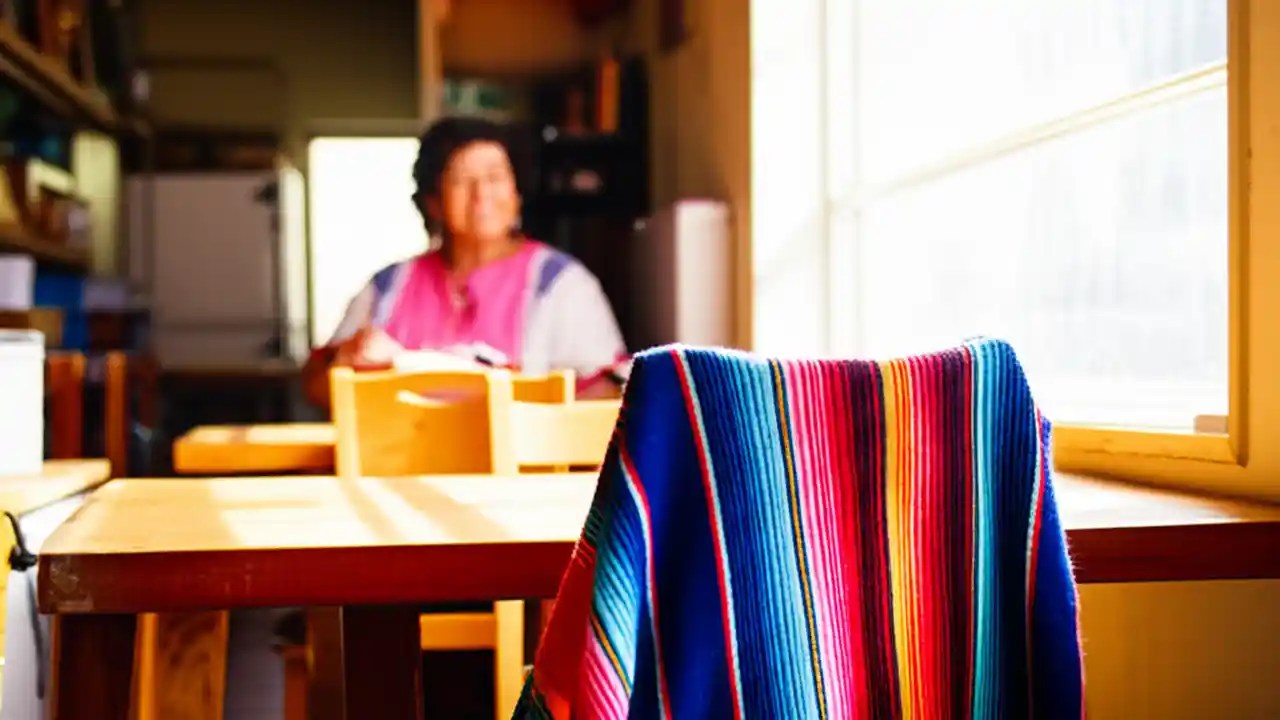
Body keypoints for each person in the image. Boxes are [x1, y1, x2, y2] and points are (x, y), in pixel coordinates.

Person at [302, 116, 629, 407]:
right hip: (395, 468)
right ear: (433, 202)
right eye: (461, 180)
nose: (481, 194)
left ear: (517, 194)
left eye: (495, 177)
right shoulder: (389, 285)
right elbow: (318, 384)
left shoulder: (561, 284)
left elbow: (611, 390)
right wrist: (346, 364)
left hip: (522, 472)